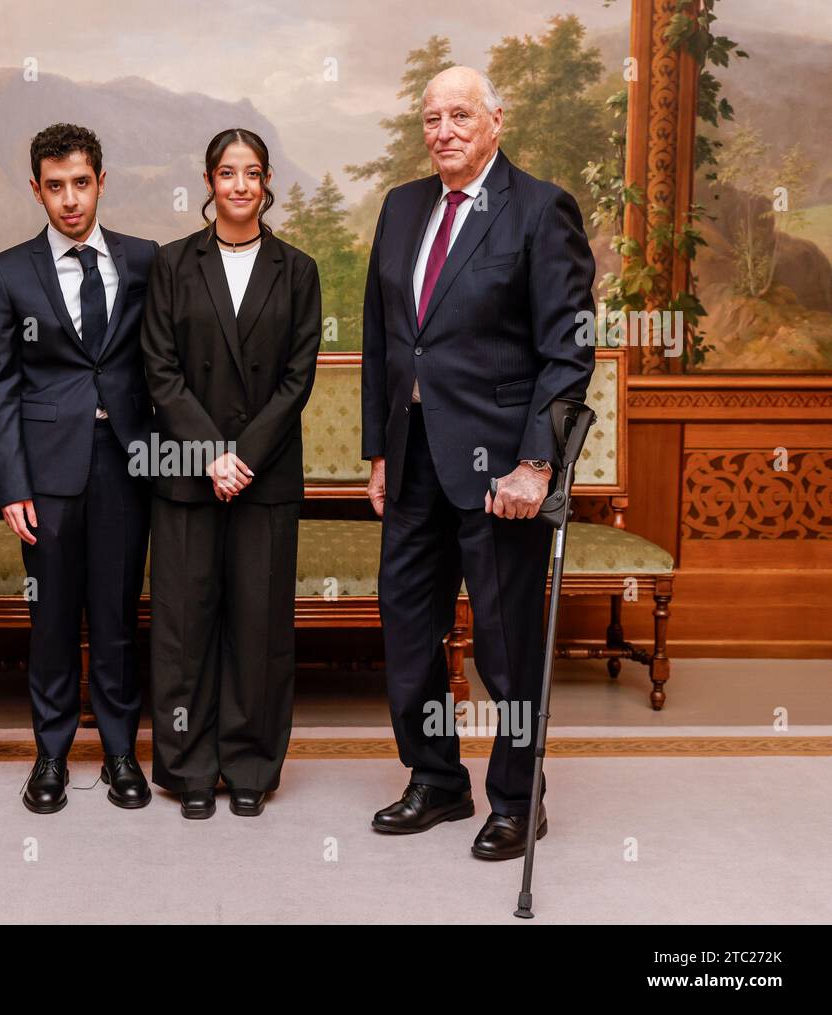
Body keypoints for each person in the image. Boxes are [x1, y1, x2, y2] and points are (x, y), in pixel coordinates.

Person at [361, 67, 596, 858]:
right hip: (413, 460)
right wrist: (378, 450)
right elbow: (384, 341)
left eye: (460, 114)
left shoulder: (539, 208)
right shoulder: (401, 208)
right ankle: (435, 781)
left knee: (505, 644)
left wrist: (539, 462)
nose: (444, 130)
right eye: (432, 117)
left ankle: (517, 797)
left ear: (497, 119)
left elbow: (568, 352)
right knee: (408, 632)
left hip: (502, 469)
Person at [0, 124, 158, 814]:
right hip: (45, 475)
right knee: (51, 619)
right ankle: (50, 754)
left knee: (116, 617)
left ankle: (119, 753)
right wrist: (11, 485)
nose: (70, 199)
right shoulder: (8, 271)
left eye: (81, 183)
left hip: (127, 464)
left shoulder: (145, 261)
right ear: (37, 190)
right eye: (55, 186)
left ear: (100, 181)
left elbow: (163, 366)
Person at [142, 128, 321, 819]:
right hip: (188, 474)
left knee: (260, 626)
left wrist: (243, 455)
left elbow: (298, 375)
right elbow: (160, 369)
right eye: (226, 172)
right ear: (209, 181)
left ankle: (250, 765)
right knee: (184, 629)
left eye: (251, 173)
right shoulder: (171, 264)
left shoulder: (297, 268)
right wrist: (211, 453)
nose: (240, 185)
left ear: (267, 179)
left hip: (265, 477)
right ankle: (188, 766)